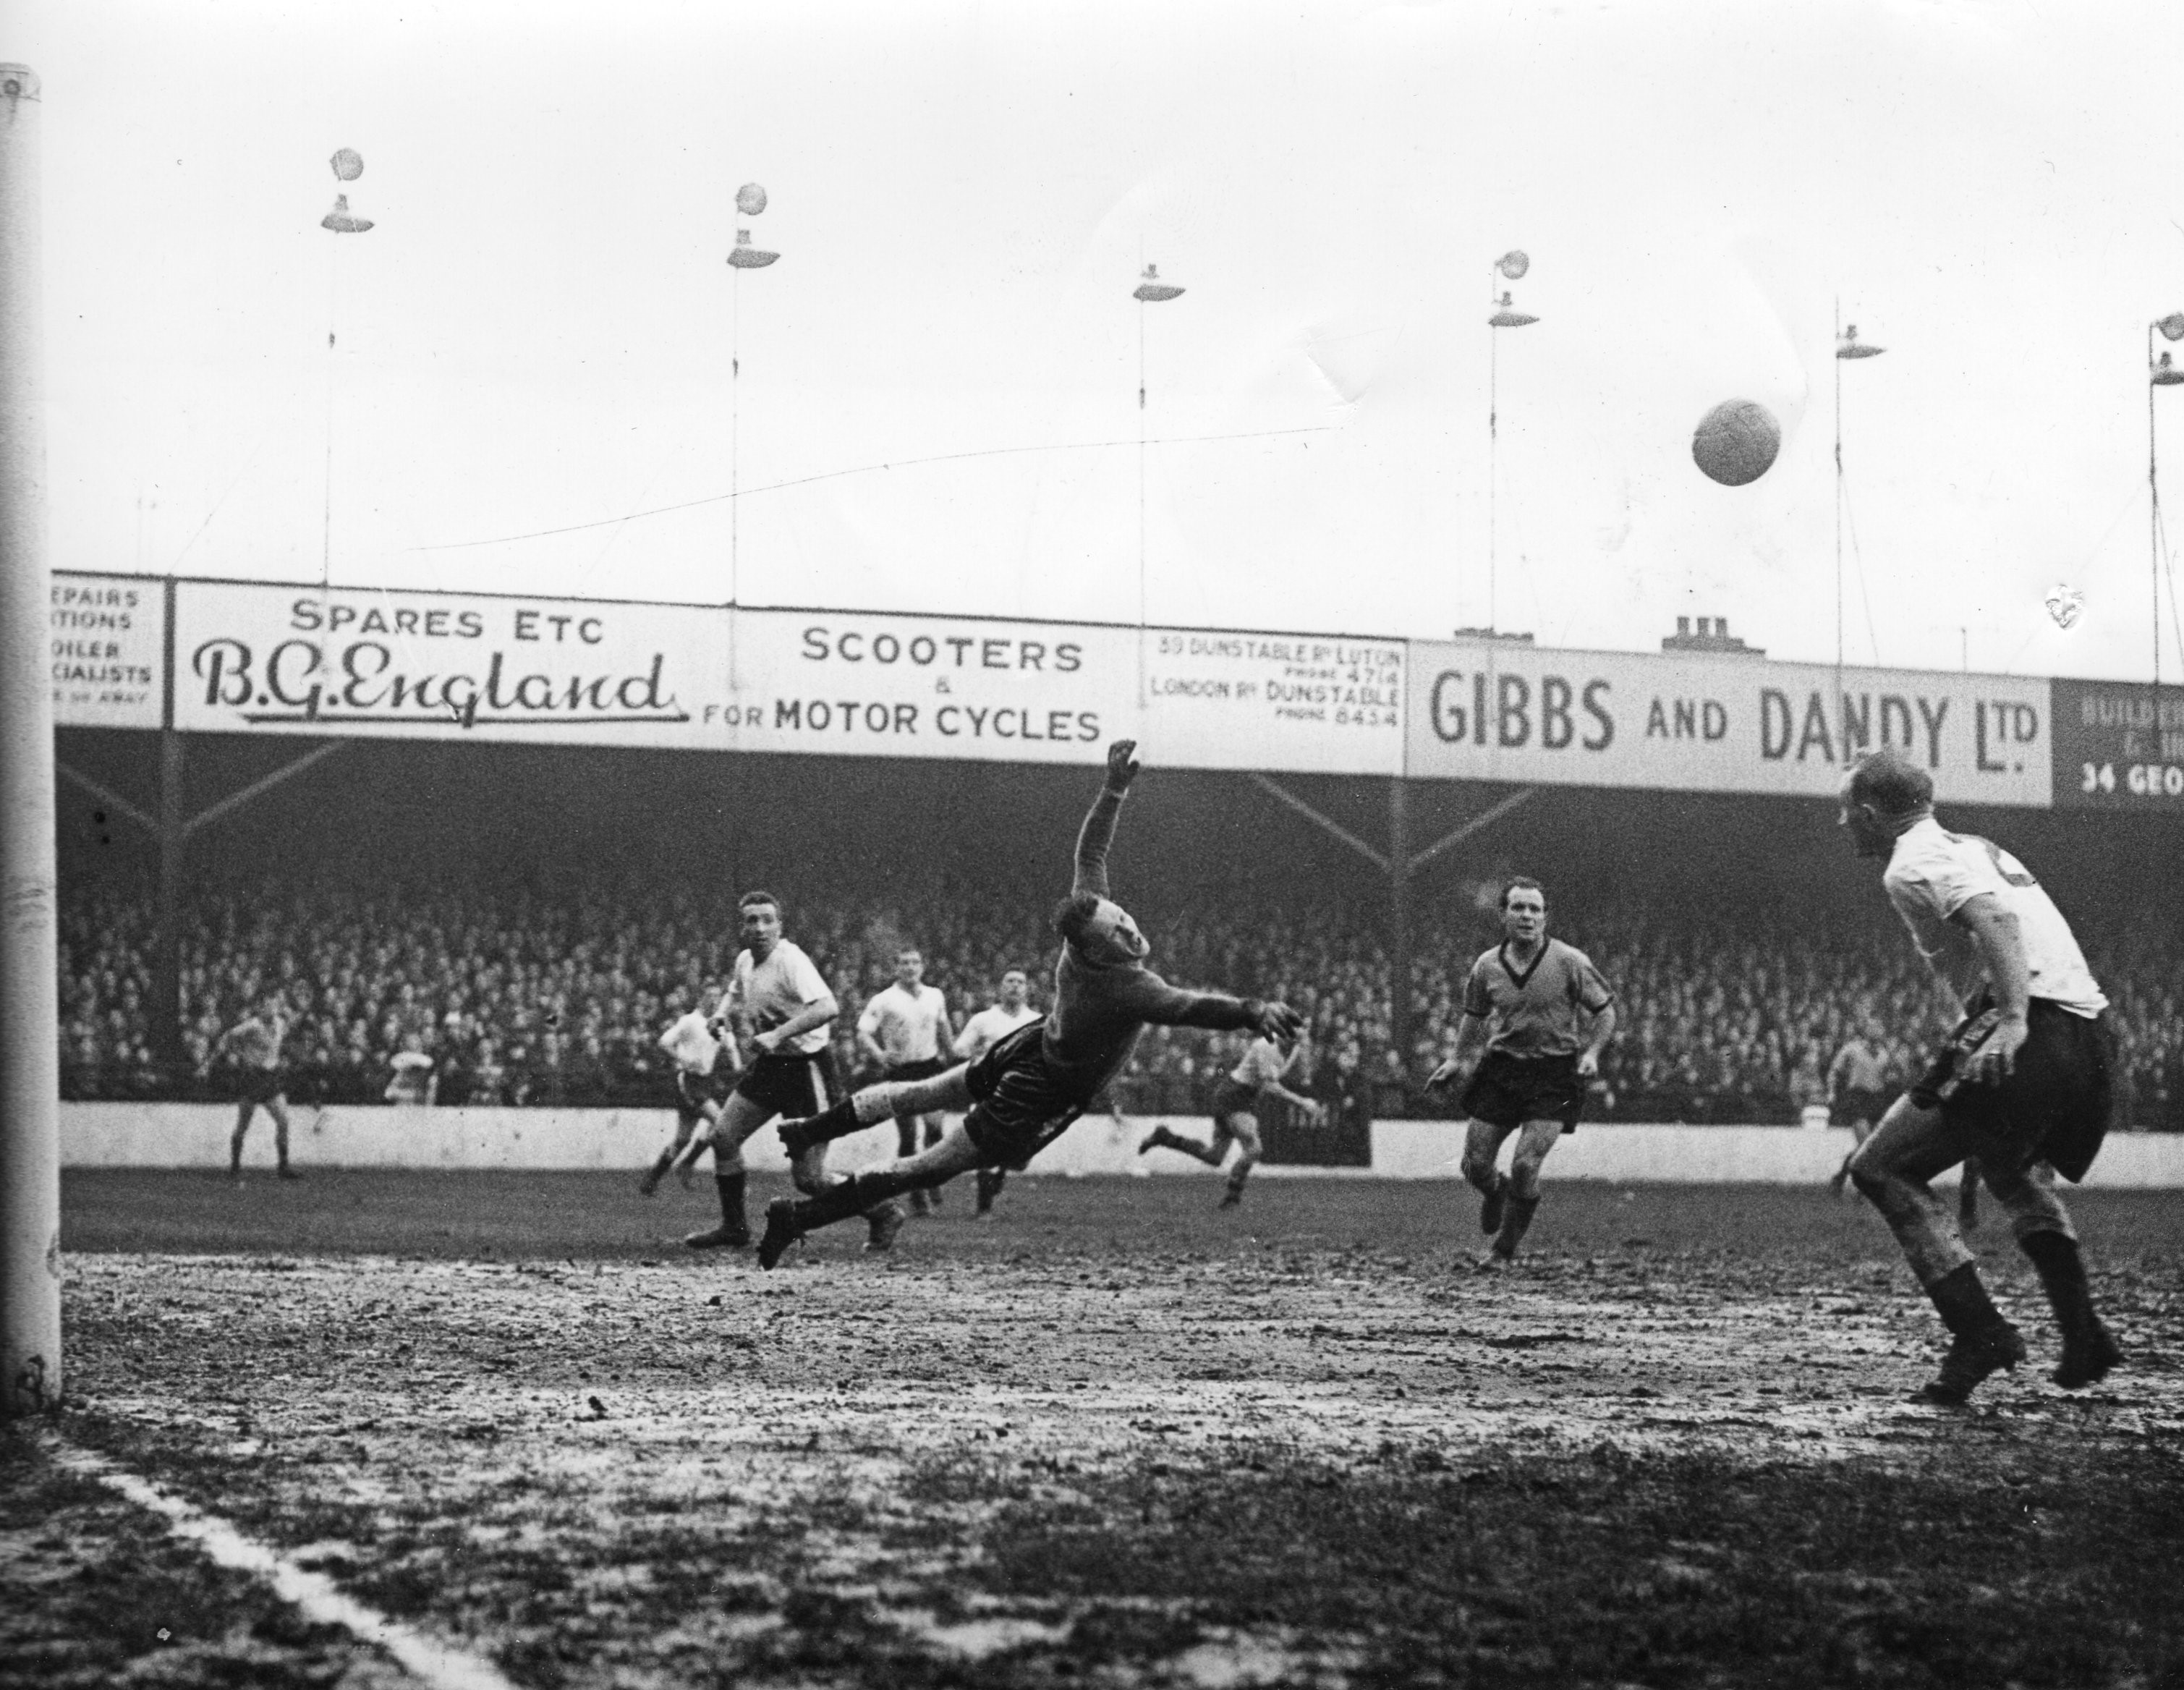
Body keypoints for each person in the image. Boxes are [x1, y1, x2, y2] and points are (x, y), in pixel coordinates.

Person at [755, 740, 1304, 1268]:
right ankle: (798, 1216)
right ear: (1092, 945)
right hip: (1044, 1086)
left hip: (1031, 1044)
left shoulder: (1085, 930)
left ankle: (810, 1130)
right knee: (930, 1166)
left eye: (1124, 920)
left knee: (923, 1093)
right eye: (1116, 933)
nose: (1129, 932)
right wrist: (1252, 1011)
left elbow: (1090, 851)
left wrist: (1113, 789)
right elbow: (1189, 1007)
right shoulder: (1123, 986)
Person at [1840, 749, 2121, 1405]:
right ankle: (2083, 1336)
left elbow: (1994, 921)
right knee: (2010, 1172)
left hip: (2032, 1020)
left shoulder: (1910, 861)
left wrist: (2014, 1019)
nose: (1840, 822)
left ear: (1872, 813)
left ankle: (1980, 1335)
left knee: (1880, 1167)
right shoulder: (1972, 844)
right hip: (2089, 1030)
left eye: (1845, 809)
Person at [671, 893, 900, 1253]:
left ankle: (882, 1210)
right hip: (772, 1067)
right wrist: (720, 1015)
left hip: (808, 1070)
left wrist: (777, 1033)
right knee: (724, 1137)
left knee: (809, 1179)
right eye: (752, 920)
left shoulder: (792, 961)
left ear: (780, 926)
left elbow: (829, 1007)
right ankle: (734, 1228)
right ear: (742, 928)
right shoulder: (745, 960)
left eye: (767, 920)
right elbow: (734, 991)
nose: (760, 928)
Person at [1425, 878, 1616, 1267]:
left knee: (1527, 1164)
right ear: (1503, 915)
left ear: (1546, 917)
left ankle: (1503, 1250)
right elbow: (1474, 1016)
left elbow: (1606, 1011)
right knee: (1475, 1165)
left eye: (1535, 909)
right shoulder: (1487, 966)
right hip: (1502, 1069)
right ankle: (1496, 1192)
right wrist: (1459, 1059)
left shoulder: (1569, 961)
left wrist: (1593, 1052)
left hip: (1554, 1072)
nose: (1527, 916)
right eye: (1519, 908)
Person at [1139, 1029, 1324, 1207]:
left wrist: (1295, 1052)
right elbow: (1269, 1085)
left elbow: (1276, 1075)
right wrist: (1302, 1102)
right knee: (1254, 1147)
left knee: (1214, 1157)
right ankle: (1233, 1195)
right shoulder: (1267, 1046)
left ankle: (1165, 1137)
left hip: (1240, 1097)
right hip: (1235, 1096)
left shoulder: (1285, 1047)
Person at [857, 946, 956, 1216]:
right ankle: (916, 1193)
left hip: (930, 1067)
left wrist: (953, 1056)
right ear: (896, 968)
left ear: (922, 967)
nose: (910, 967)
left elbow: (943, 1027)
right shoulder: (884, 1000)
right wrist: (879, 1054)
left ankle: (931, 1178)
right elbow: (863, 1032)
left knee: (935, 1130)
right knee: (909, 1137)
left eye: (915, 962)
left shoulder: (935, 995)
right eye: (904, 963)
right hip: (901, 1072)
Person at [950, 967, 1043, 1215]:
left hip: (1023, 1093)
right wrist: (980, 1057)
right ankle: (984, 1210)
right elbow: (959, 1049)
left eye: (1020, 982)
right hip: (989, 1090)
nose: (1015, 986)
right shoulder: (983, 1020)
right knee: (985, 1145)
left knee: (1021, 1158)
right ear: (1000, 988)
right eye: (1010, 981)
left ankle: (1000, 1172)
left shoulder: (1037, 1021)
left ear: (1027, 989)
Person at [640, 988, 740, 1197]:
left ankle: (651, 1181)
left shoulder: (718, 1022)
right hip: (689, 1081)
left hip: (705, 1081)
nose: (714, 1001)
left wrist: (738, 1066)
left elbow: (730, 1047)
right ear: (702, 998)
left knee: (683, 1139)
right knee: (721, 1122)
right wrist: (684, 1059)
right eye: (710, 996)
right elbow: (665, 1042)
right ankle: (687, 1164)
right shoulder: (690, 1021)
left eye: (717, 997)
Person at [215, 990, 299, 1181]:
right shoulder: (252, 1025)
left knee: (284, 1121)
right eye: (268, 1006)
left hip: (270, 1077)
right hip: (253, 1078)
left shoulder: (279, 1023)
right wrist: (242, 1055)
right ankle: (235, 1166)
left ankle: (283, 1166)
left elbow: (280, 1042)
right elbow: (228, 1037)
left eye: (275, 1005)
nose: (272, 1009)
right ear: (261, 1007)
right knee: (243, 1124)